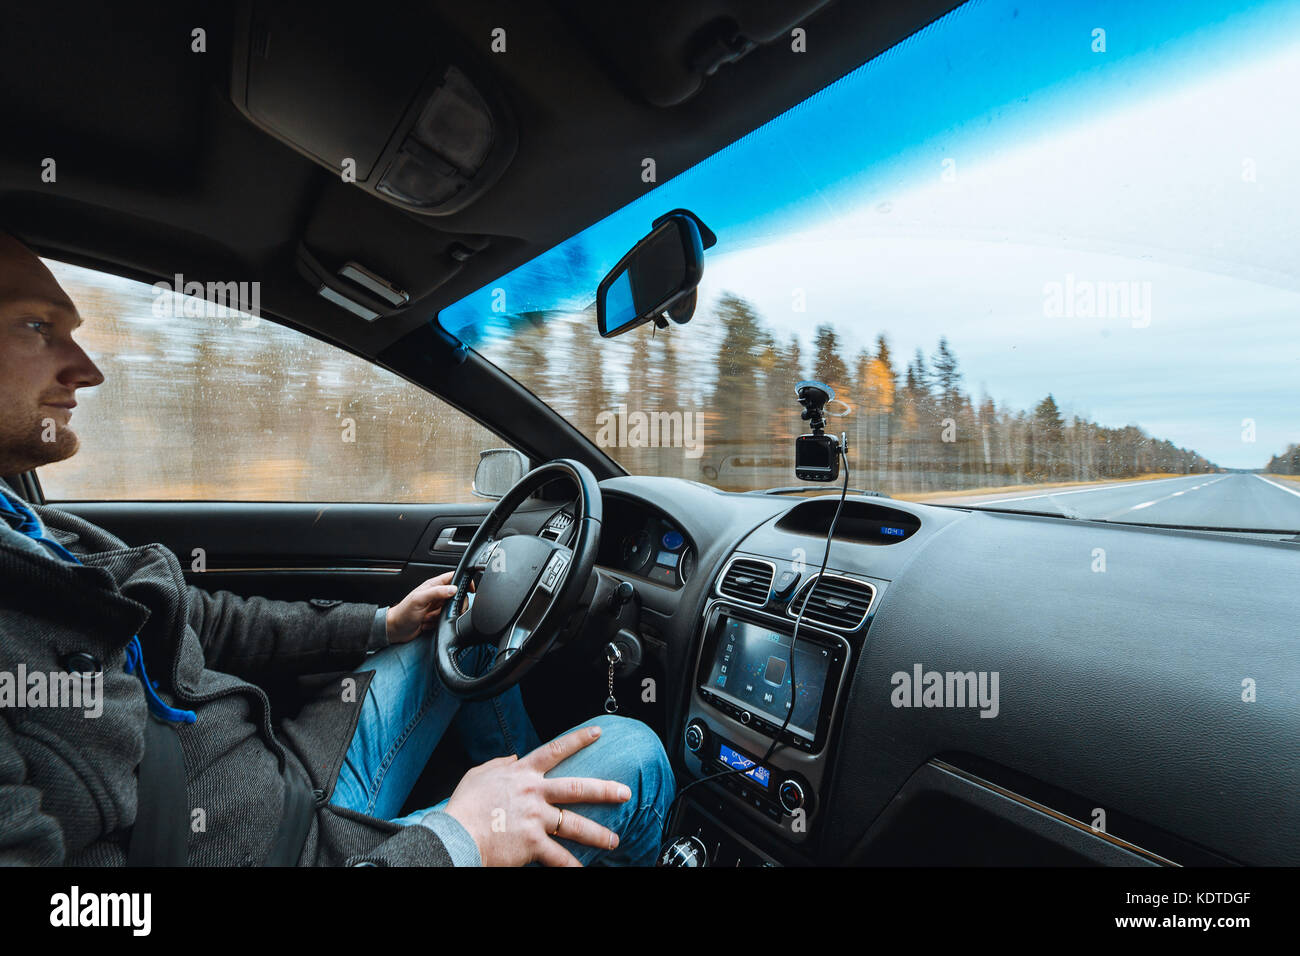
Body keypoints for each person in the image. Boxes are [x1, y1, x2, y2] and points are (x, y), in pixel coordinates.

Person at [0, 229, 674, 866]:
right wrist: (459, 839)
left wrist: (383, 622)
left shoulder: (35, 532)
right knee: (635, 754)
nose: (86, 370)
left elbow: (208, 620)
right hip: (289, 851)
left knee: (458, 627)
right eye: (37, 327)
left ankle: (526, 792)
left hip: (283, 774)